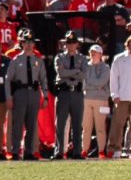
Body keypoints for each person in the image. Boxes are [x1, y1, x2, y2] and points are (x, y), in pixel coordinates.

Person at [7, 30, 49, 160]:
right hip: (20, 92)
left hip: (34, 93)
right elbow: (8, 79)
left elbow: (43, 79)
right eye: (26, 42)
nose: (29, 45)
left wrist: (45, 96)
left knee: (32, 124)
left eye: (31, 42)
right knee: (18, 123)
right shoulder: (16, 60)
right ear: (22, 43)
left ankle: (29, 151)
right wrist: (9, 96)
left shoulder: (38, 60)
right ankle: (15, 151)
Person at [53, 33, 84, 159]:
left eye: (73, 43)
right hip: (64, 92)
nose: (71, 45)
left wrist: (70, 73)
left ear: (77, 44)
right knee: (60, 123)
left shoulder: (82, 58)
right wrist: (76, 71)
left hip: (77, 92)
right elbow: (61, 72)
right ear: (65, 44)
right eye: (68, 43)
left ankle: (77, 152)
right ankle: (59, 151)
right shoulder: (59, 57)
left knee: (77, 124)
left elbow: (84, 75)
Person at [80, 44, 110, 158]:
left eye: (95, 52)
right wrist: (95, 85)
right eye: (91, 52)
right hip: (86, 99)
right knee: (86, 126)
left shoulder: (106, 68)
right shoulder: (85, 67)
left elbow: (101, 82)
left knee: (101, 127)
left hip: (101, 100)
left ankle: (102, 150)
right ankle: (84, 150)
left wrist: (89, 83)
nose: (93, 54)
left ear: (100, 54)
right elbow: (83, 84)